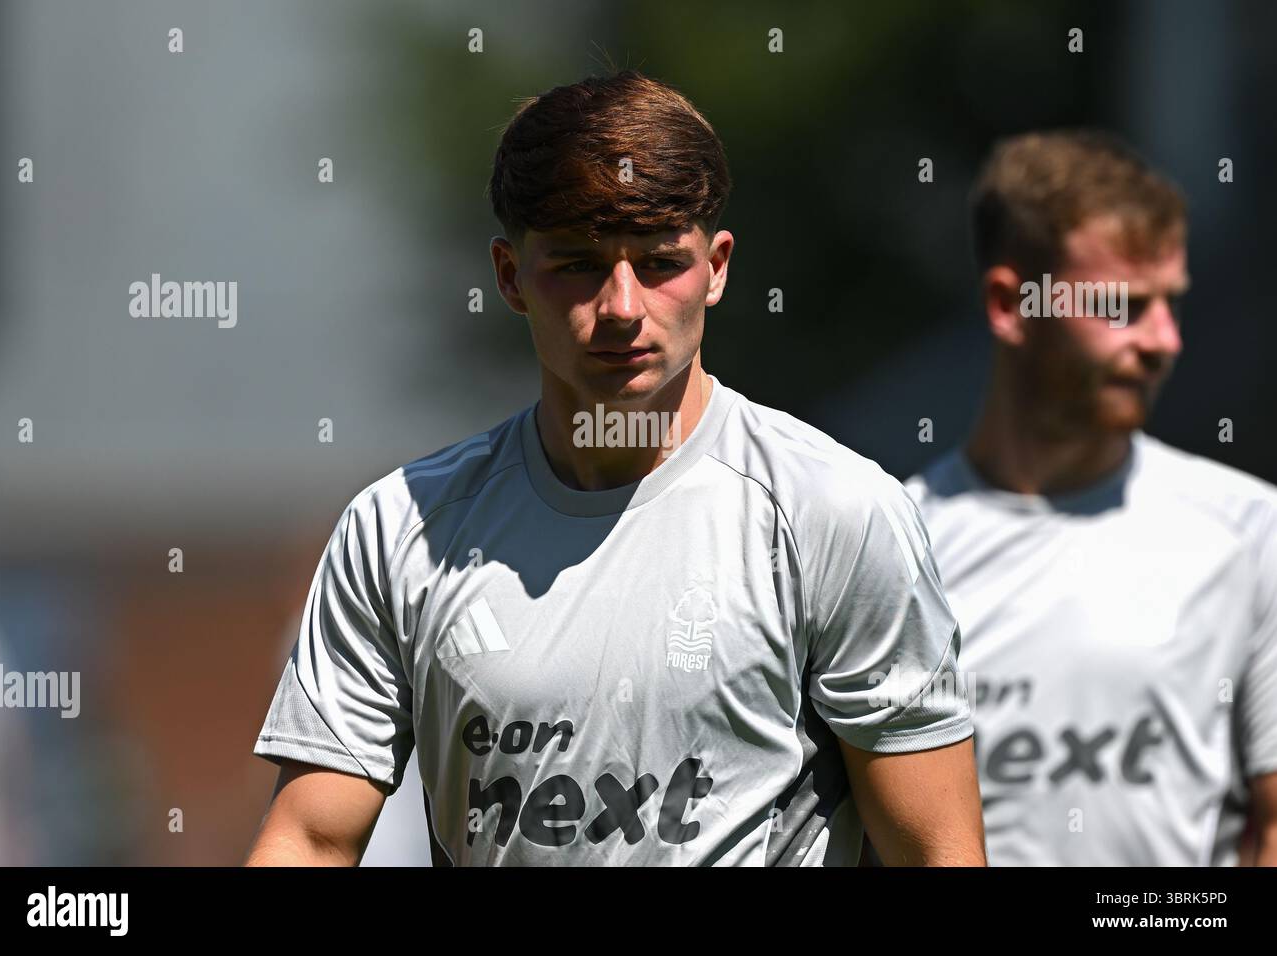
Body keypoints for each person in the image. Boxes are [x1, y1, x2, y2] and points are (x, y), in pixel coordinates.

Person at [245, 70, 984, 866]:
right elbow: (312, 839)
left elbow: (937, 849)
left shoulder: (835, 512)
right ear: (508, 276)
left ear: (718, 267)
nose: (623, 307)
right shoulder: (401, 529)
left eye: (660, 263)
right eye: (578, 265)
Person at [906, 130, 1277, 865]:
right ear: (1011, 304)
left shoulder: (1247, 528)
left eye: (1171, 303)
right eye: (1124, 306)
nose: (1165, 339)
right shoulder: (892, 542)